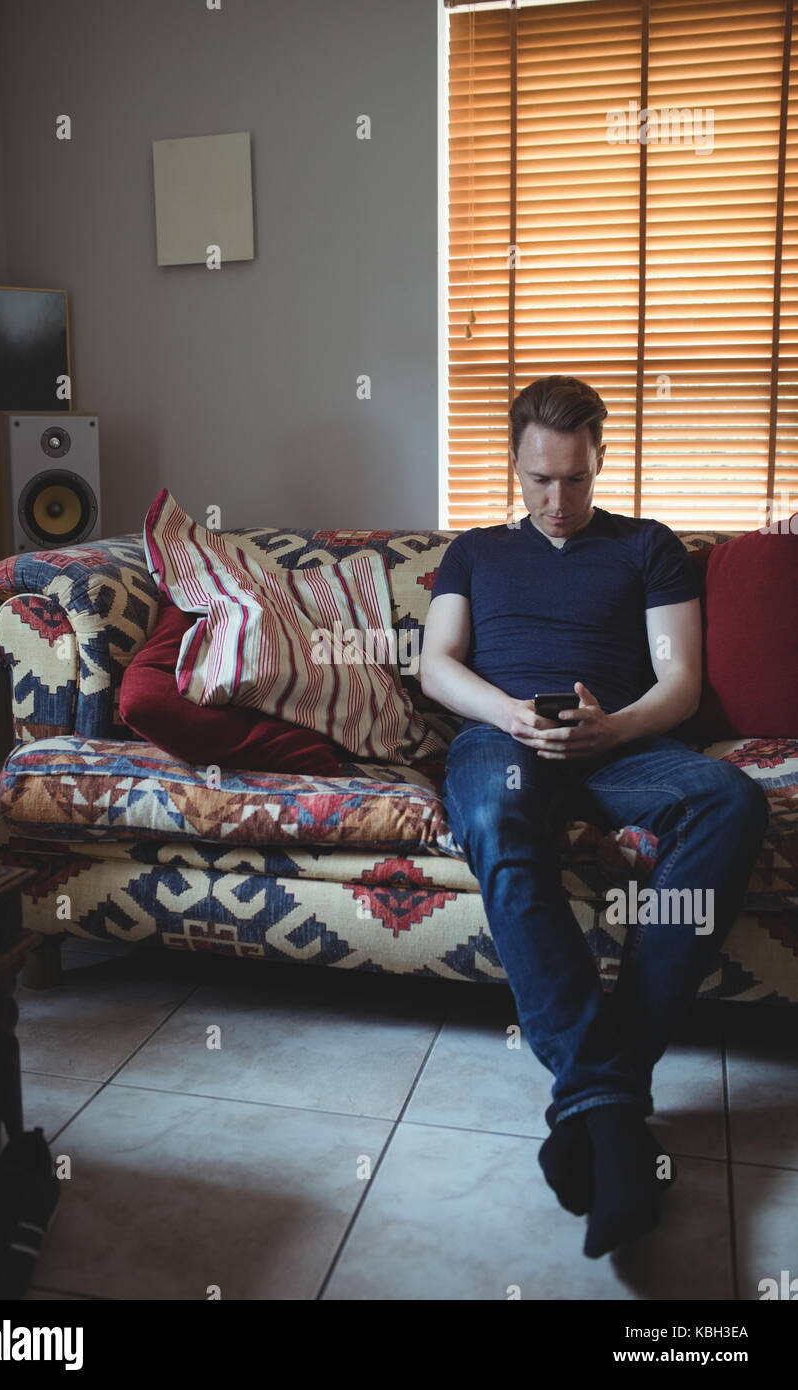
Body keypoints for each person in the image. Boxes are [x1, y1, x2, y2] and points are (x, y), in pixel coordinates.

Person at [420, 375, 769, 1258]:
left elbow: (680, 683)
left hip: (619, 742)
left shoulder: (649, 546)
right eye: (540, 479)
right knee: (499, 824)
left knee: (730, 798)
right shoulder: (475, 552)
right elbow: (436, 665)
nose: (558, 499)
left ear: (600, 460)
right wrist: (509, 716)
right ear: (516, 463)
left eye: (575, 479)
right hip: (504, 738)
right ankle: (614, 1117)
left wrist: (613, 727)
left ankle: (600, 1095)